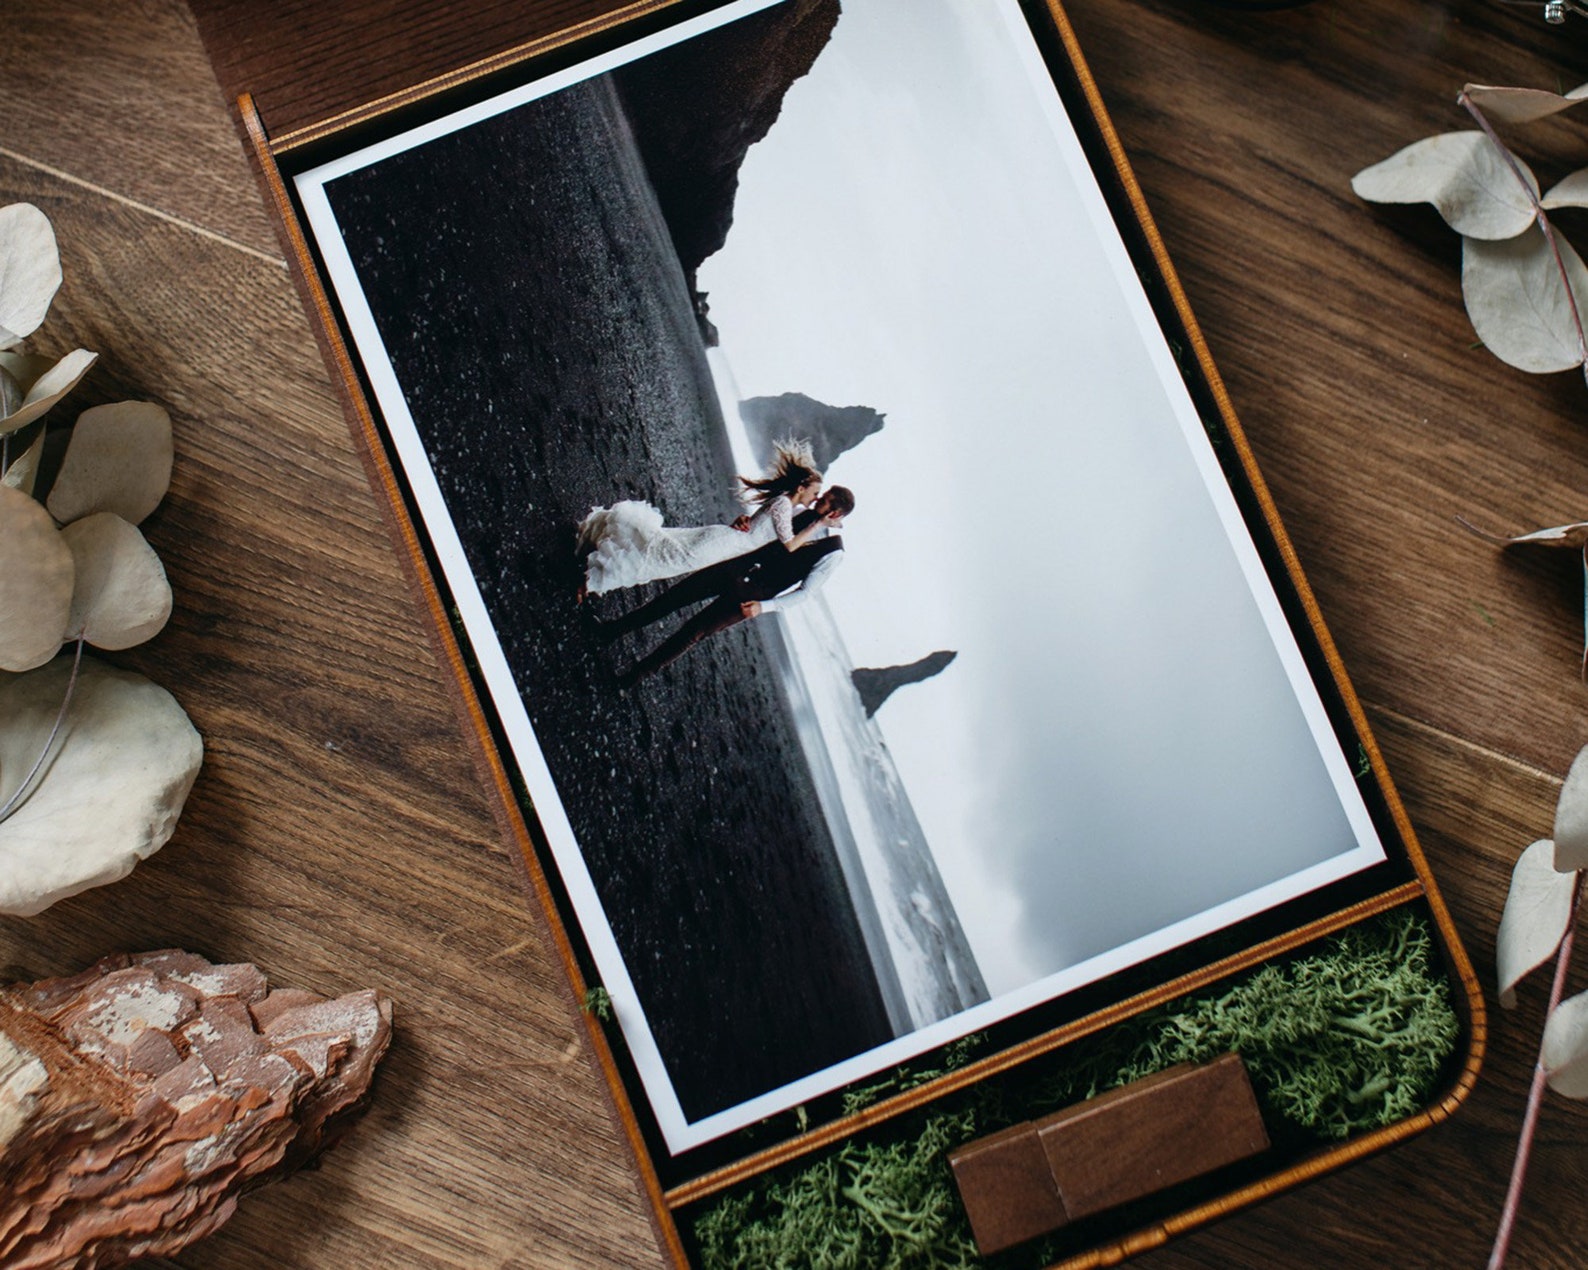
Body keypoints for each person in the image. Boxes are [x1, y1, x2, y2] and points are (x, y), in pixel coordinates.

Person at [603, 486, 855, 685]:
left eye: (823, 501)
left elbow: (806, 593)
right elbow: (765, 531)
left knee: (693, 632)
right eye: (819, 496)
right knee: (672, 598)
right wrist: (744, 522)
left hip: (753, 596)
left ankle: (633, 677)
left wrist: (764, 607)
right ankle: (610, 632)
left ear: (834, 514)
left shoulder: (833, 553)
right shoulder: (802, 514)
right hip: (733, 565)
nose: (815, 501)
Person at [575, 439, 823, 598]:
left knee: (664, 555)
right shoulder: (782, 504)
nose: (815, 498)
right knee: (663, 558)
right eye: (814, 493)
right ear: (801, 488)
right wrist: (819, 524)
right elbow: (789, 544)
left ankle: (595, 571)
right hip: (723, 543)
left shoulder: (786, 506)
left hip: (726, 542)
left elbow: (763, 528)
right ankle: (591, 581)